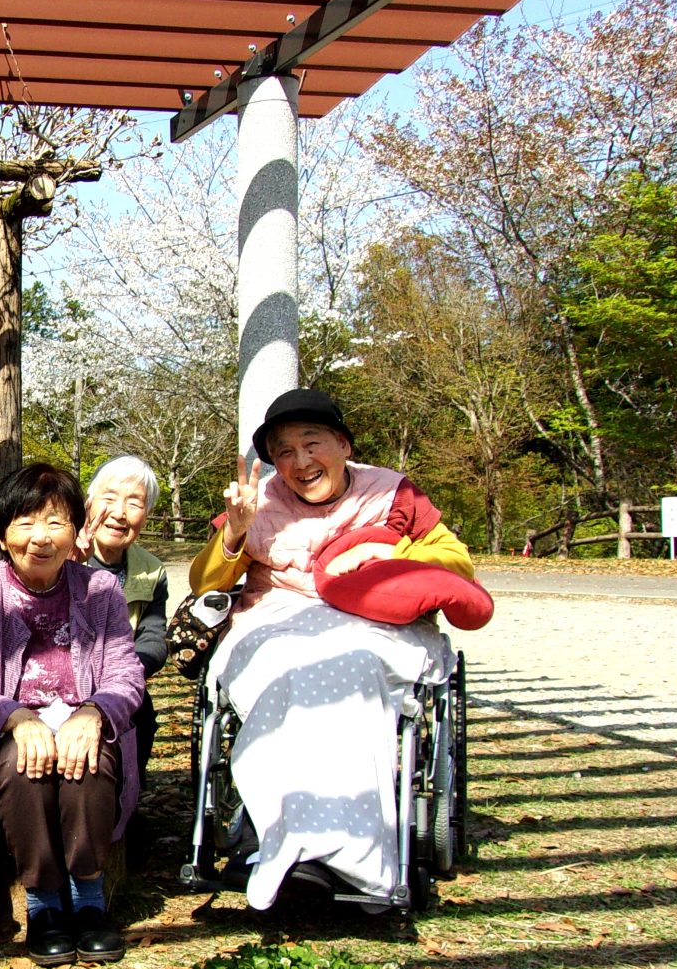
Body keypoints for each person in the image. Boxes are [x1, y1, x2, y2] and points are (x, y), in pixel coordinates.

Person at [190, 388, 474, 911]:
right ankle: (278, 837)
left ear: (343, 444)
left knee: (352, 669)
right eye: (283, 452)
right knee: (281, 667)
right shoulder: (259, 501)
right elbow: (203, 579)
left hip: (371, 620)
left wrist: (383, 549)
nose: (299, 462)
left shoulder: (390, 494)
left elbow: (457, 562)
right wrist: (234, 531)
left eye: (312, 443)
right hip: (275, 617)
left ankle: (336, 856)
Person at [0, 463, 145, 966]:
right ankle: (44, 902)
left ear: (77, 531)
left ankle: (88, 896)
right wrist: (17, 719)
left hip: (82, 717)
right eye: (25, 522)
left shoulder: (100, 591)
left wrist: (94, 712)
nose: (41, 537)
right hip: (13, 725)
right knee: (25, 763)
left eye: (56, 522)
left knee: (88, 761)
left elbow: (126, 675)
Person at [80, 455, 169, 783]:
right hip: (55, 676)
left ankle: (125, 805)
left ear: (146, 515)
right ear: (88, 503)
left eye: (134, 502)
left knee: (141, 712)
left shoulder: (152, 570)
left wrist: (125, 673)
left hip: (121, 678)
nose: (119, 513)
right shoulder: (56, 550)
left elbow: (153, 639)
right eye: (109, 498)